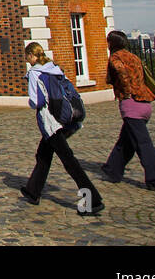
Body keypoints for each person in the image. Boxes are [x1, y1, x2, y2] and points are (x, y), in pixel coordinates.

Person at [21, 41, 104, 215]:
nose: (26, 59)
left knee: (70, 161)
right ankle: (32, 191)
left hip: (51, 122)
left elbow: (38, 101)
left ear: (31, 56)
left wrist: (30, 102)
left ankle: (92, 201)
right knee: (43, 155)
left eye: (26, 56)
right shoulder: (55, 69)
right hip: (65, 119)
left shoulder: (35, 73)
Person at [101, 30, 155, 191]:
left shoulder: (116, 57)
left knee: (143, 145)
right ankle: (112, 169)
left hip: (132, 105)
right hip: (145, 103)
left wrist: (126, 93)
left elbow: (121, 72)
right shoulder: (133, 57)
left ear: (112, 43)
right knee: (126, 140)